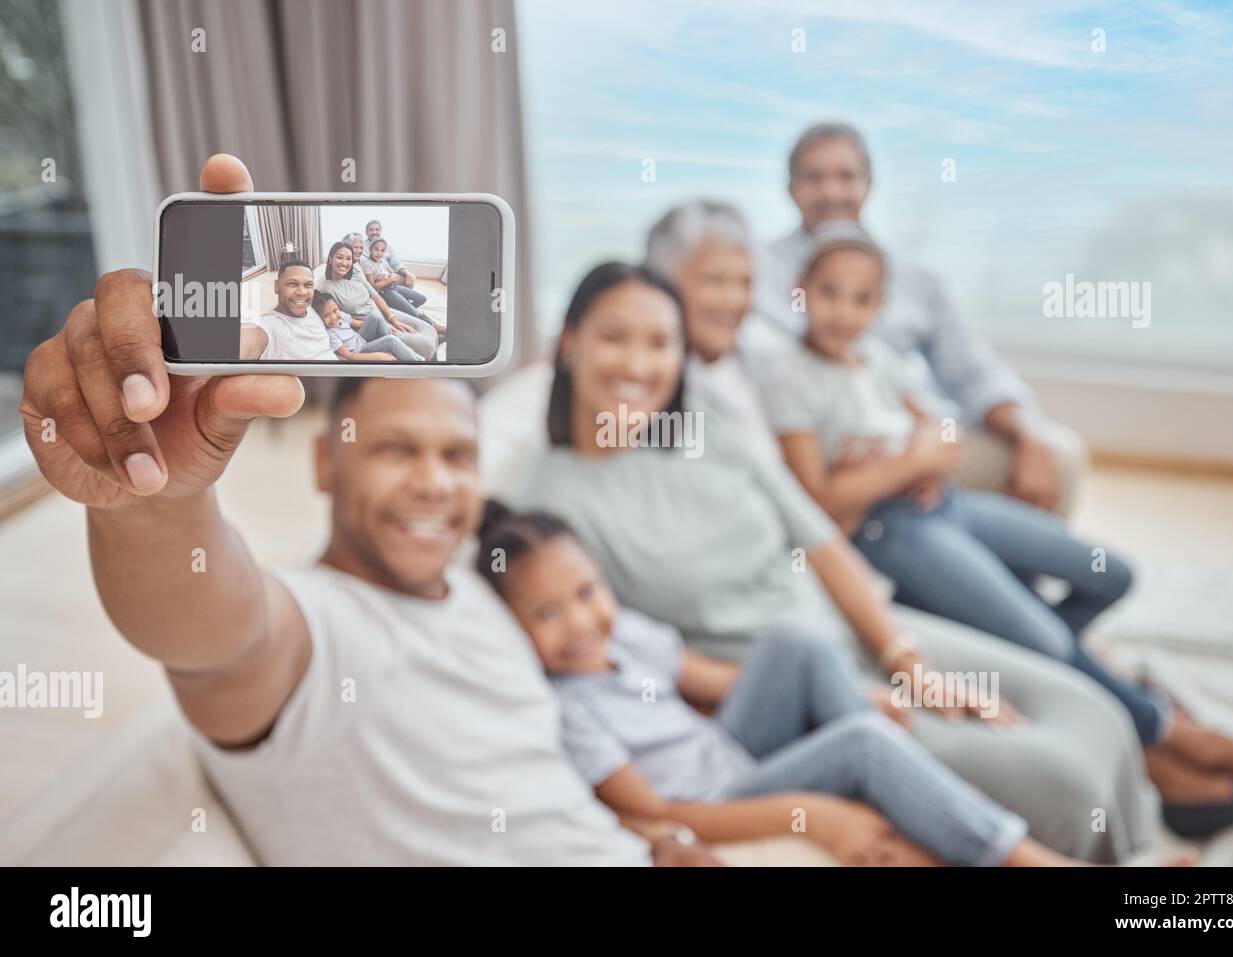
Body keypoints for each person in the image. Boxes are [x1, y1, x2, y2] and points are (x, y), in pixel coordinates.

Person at [17, 153, 717, 867]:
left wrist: (660, 844)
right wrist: (158, 499)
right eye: (395, 450)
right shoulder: (316, 628)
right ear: (327, 461)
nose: (434, 482)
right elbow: (210, 635)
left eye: (458, 456)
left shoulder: (484, 589)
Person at [509, 260, 1158, 862]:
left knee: (1096, 713)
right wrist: (851, 699)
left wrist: (906, 658)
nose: (639, 363)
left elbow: (819, 540)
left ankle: (1165, 811)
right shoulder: (550, 506)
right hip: (784, 706)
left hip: (854, 631)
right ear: (568, 343)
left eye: (661, 343)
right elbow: (618, 674)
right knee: (1065, 783)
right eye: (614, 338)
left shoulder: (709, 427)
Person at [763, 222, 1233, 836]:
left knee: (1112, 576)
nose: (842, 312)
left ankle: (1085, 684)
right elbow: (819, 501)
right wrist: (909, 461)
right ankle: (1173, 742)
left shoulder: (882, 362)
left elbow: (947, 438)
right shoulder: (787, 375)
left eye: (861, 299)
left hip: (943, 506)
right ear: (801, 291)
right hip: (889, 537)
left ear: (879, 307)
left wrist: (905, 460)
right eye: (828, 293)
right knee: (1045, 641)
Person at [476, 501, 1158, 866]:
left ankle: (909, 775)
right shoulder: (567, 709)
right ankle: (1031, 861)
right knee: (860, 743)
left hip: (733, 747)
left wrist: (864, 692)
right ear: (511, 630)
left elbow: (721, 680)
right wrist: (813, 810)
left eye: (587, 591)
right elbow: (665, 812)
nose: (580, 620)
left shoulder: (624, 632)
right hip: (720, 792)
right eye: (545, 612)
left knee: (793, 638)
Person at [752, 122, 1085, 515]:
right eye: (814, 177)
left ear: (870, 183)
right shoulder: (756, 272)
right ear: (791, 188)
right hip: (818, 455)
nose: (831, 191)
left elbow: (972, 374)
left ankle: (1017, 571)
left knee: (1060, 456)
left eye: (846, 176)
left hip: (912, 444)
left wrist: (1030, 438)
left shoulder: (915, 278)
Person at [644, 200, 778, 461]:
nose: (734, 300)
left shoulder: (757, 358)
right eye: (714, 280)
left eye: (745, 282)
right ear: (661, 281)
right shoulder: (648, 384)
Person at [316, 241, 438, 360]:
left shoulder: (356, 273)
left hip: (379, 314)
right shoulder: (325, 288)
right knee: (426, 346)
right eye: (340, 257)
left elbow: (375, 295)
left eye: (349, 258)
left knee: (430, 330)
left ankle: (436, 350)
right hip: (367, 328)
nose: (344, 263)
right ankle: (419, 363)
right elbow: (331, 318)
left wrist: (392, 319)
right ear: (331, 259)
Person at [239, 260, 338, 362]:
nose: (302, 292)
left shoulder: (311, 308)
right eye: (292, 284)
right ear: (276, 286)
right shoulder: (268, 326)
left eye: (308, 285)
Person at [314, 291, 423, 362]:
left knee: (375, 317)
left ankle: (394, 347)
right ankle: (420, 363)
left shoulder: (341, 315)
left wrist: (384, 326)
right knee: (391, 341)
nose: (333, 317)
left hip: (360, 339)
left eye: (335, 310)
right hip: (359, 351)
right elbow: (350, 356)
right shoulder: (331, 334)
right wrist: (380, 356)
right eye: (326, 315)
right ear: (319, 318)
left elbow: (359, 323)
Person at [361, 236, 431, 320]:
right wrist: (389, 280)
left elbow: (393, 274)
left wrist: (393, 279)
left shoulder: (382, 261)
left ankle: (404, 312)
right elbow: (372, 286)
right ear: (370, 249)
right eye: (376, 249)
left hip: (394, 287)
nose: (379, 253)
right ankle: (425, 320)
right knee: (414, 312)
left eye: (382, 250)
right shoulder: (367, 264)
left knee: (422, 299)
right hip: (384, 293)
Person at [365, 218, 417, 289]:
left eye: (377, 229)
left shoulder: (388, 247)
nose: (374, 232)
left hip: (387, 274)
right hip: (375, 277)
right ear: (366, 232)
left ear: (381, 231)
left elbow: (395, 263)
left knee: (409, 278)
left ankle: (402, 297)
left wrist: (407, 274)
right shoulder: (362, 246)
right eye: (371, 230)